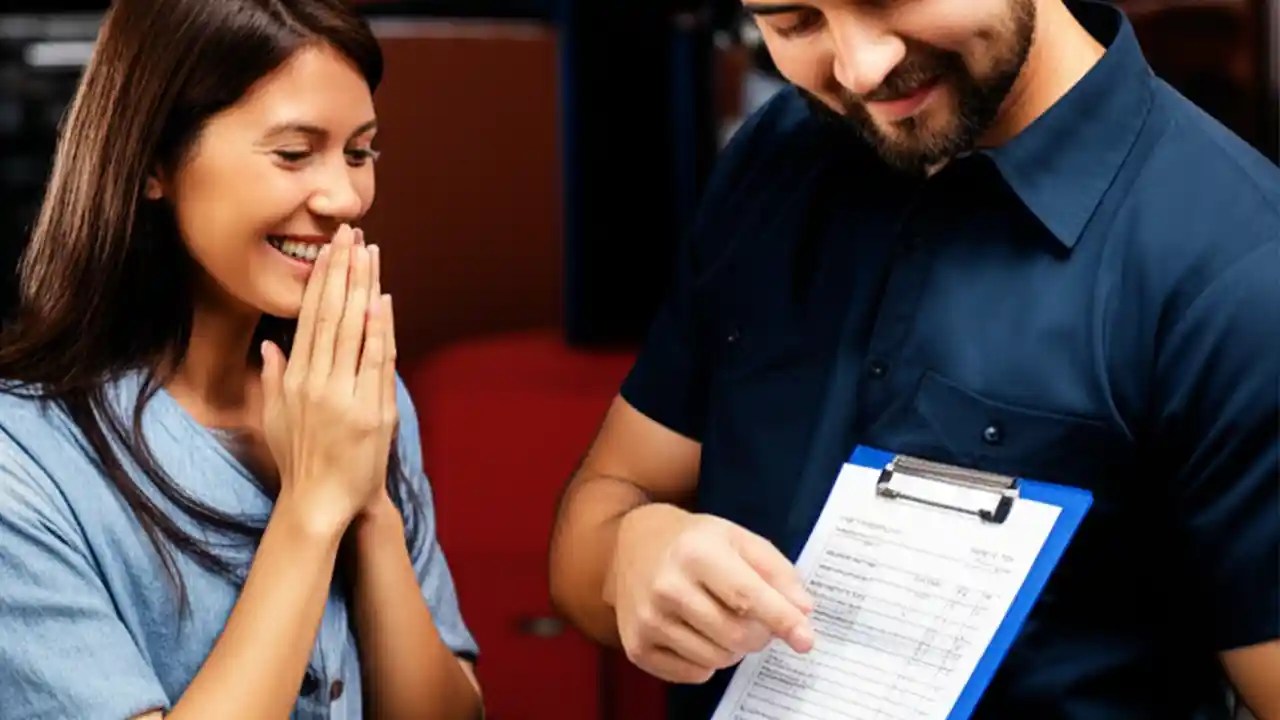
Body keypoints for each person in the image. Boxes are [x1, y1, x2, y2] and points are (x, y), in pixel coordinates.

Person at [548, 0, 1280, 717]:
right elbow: (599, 517)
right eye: (795, 21)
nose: (861, 70)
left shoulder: (1238, 268)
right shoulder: (777, 157)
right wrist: (632, 555)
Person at [0, 1, 482, 718]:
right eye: (293, 153)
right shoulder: (25, 460)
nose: (345, 197)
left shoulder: (349, 395)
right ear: (154, 161)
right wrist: (314, 506)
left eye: (360, 152)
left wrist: (370, 508)